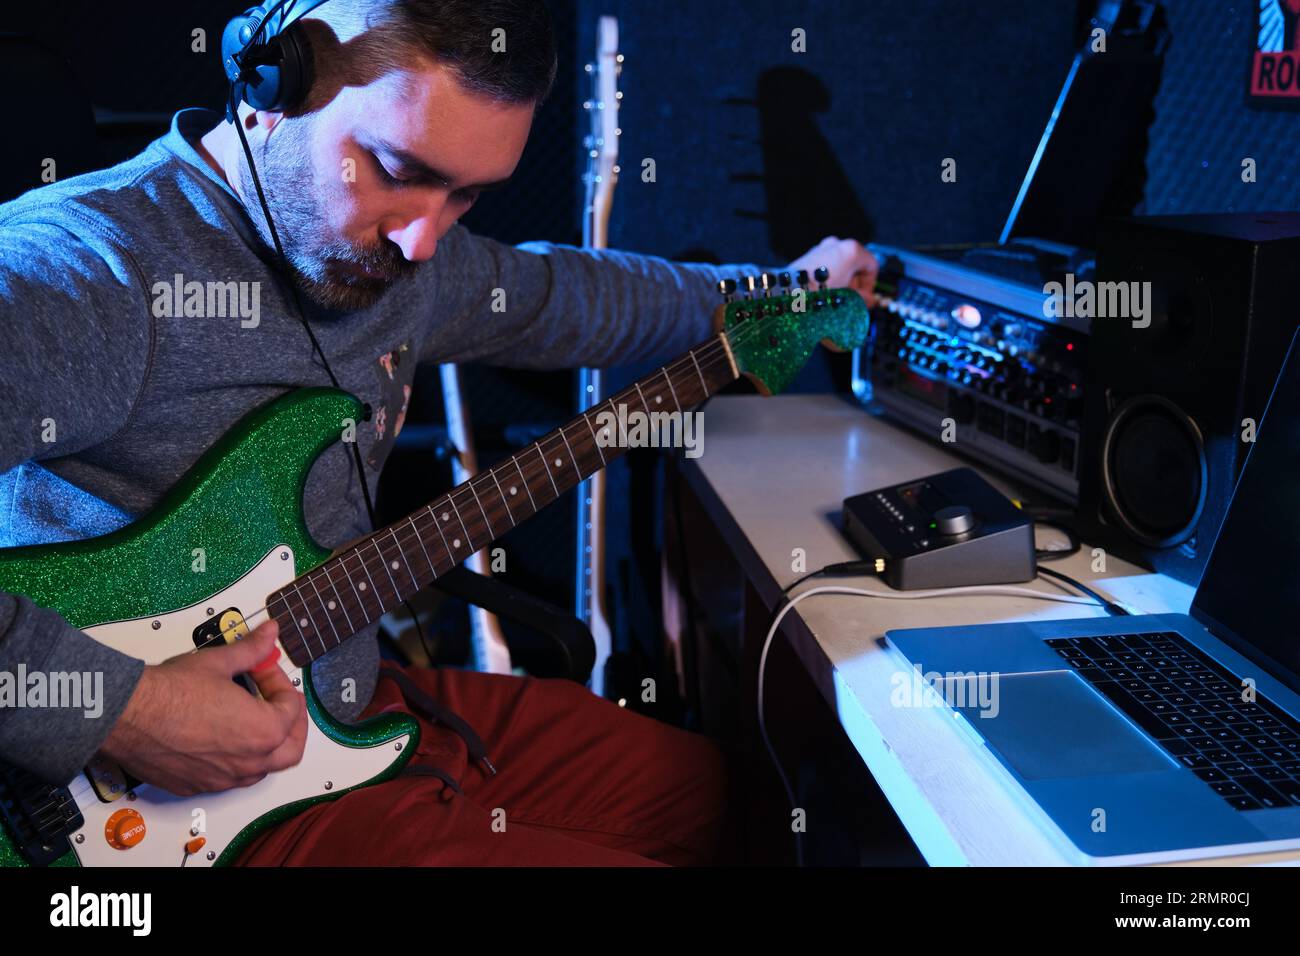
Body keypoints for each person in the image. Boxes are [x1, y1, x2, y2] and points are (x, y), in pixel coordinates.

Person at [0, 0, 877, 865]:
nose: (423, 240)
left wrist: (775, 290)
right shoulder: (84, 268)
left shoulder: (399, 259)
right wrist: (129, 712)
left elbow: (566, 297)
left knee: (745, 801)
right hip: (162, 813)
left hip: (352, 710)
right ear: (276, 85)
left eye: (466, 195)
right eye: (394, 168)